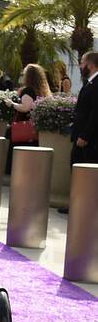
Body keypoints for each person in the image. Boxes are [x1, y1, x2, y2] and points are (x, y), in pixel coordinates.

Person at [61, 50, 98, 213]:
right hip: (80, 137)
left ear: (90, 64)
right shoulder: (90, 83)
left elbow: (96, 113)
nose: (80, 65)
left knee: (85, 173)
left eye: (82, 62)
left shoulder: (96, 84)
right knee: (77, 170)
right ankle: (77, 205)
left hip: (88, 141)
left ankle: (83, 208)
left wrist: (85, 135)